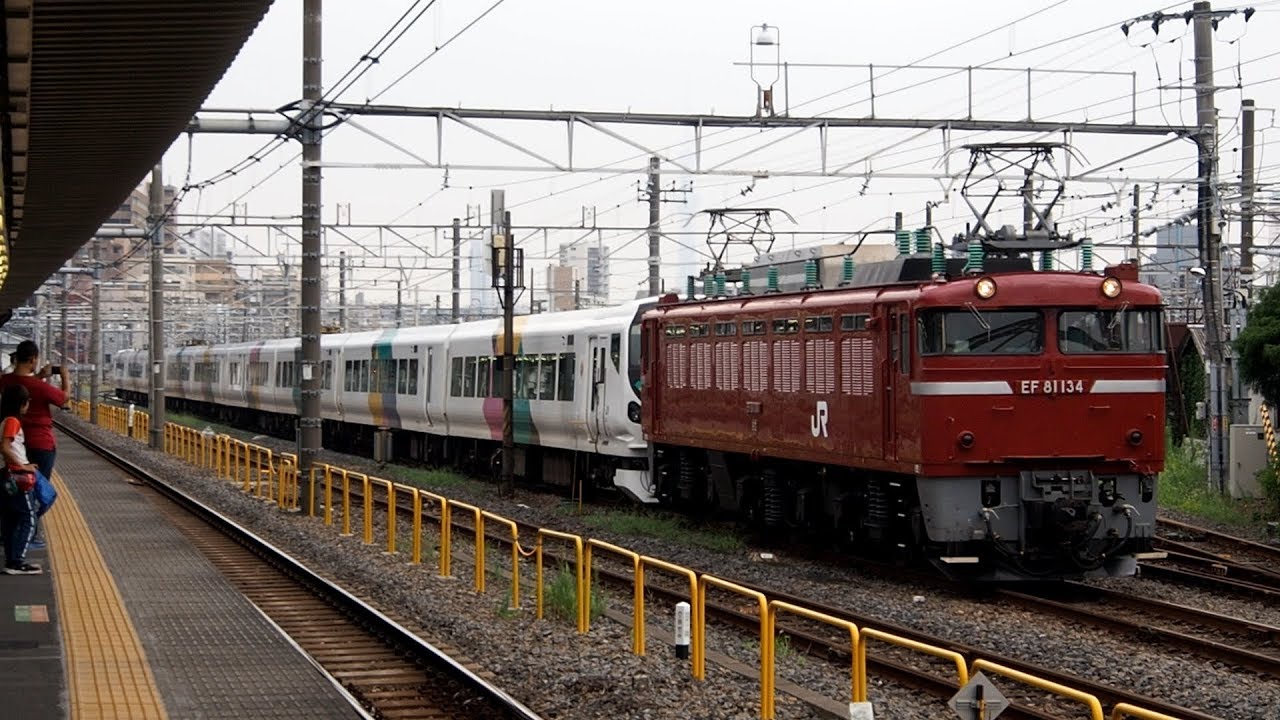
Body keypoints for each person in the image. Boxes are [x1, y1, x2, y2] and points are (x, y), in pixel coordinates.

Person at [0, 341, 68, 548]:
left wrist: (38, 376)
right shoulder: (40, 387)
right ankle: (29, 536)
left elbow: (20, 386)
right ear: (33, 360)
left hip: (15, 445)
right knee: (37, 492)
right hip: (40, 444)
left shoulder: (4, 381)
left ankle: (9, 534)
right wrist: (64, 375)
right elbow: (64, 399)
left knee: (13, 491)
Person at [0, 383, 40, 574]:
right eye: (27, 401)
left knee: (10, 519)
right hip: (17, 477)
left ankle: (11, 560)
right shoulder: (12, 421)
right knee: (28, 517)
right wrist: (23, 466)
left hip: (8, 475)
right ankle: (17, 561)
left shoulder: (4, 420)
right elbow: (6, 448)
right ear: (21, 404)